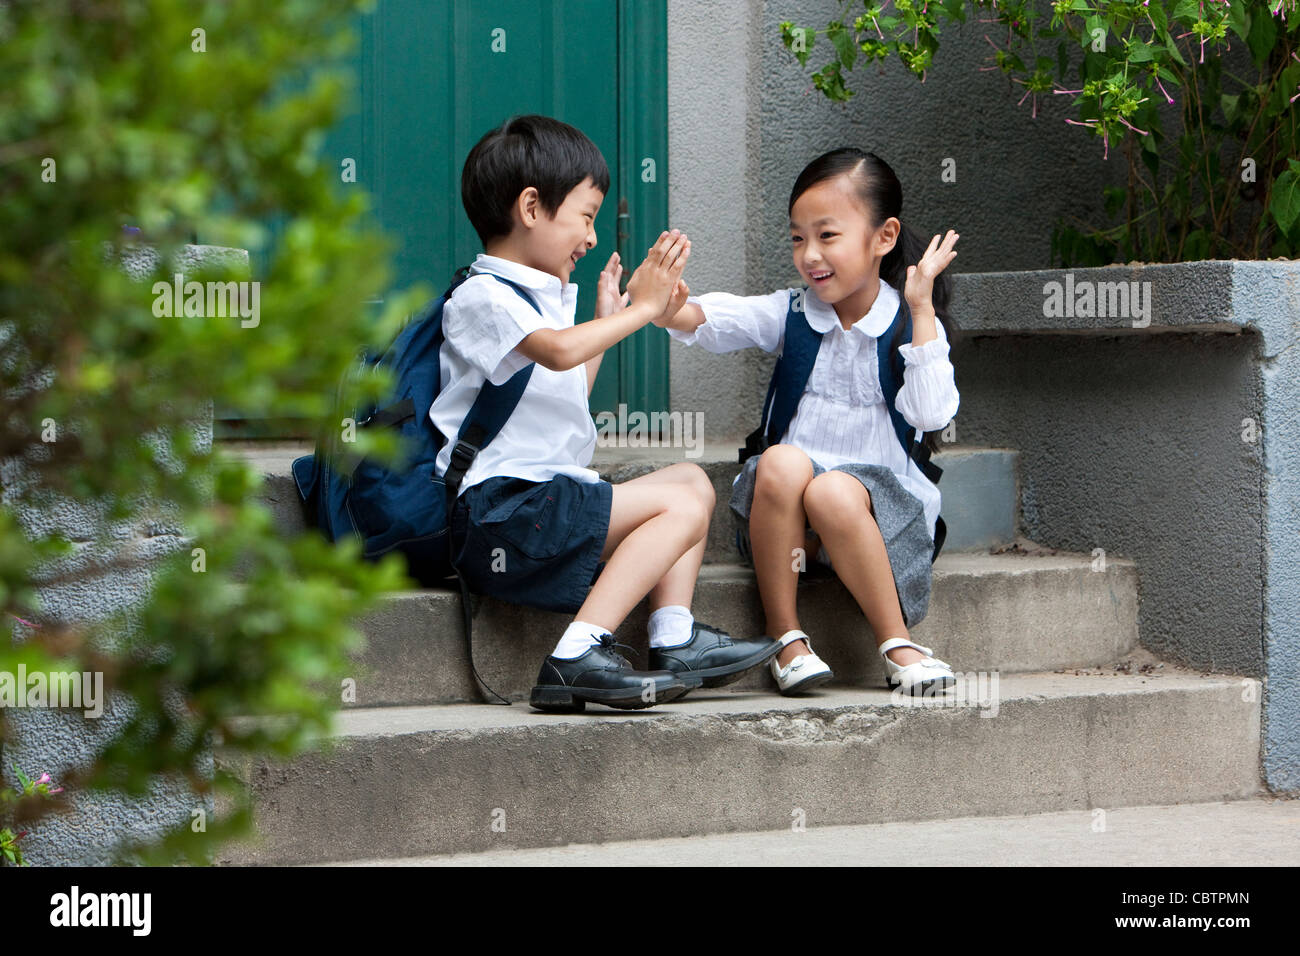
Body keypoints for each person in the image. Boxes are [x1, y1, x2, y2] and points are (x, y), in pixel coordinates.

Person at [433, 114, 779, 712]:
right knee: (683, 499)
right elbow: (563, 350)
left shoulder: (539, 296)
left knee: (692, 481)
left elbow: (565, 384)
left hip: (538, 506)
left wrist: (605, 316)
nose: (592, 238)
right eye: (587, 216)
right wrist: (641, 311)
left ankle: (674, 638)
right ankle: (575, 654)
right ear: (532, 207)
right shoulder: (481, 296)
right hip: (502, 514)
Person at [654, 147, 960, 695]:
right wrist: (659, 301)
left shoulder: (908, 323)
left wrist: (922, 309)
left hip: (882, 527)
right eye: (798, 238)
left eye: (827, 235)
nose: (809, 255)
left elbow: (933, 414)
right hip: (787, 524)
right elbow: (706, 318)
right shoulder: (791, 314)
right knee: (785, 462)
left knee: (836, 492)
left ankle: (897, 645)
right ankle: (786, 641)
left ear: (883, 237)